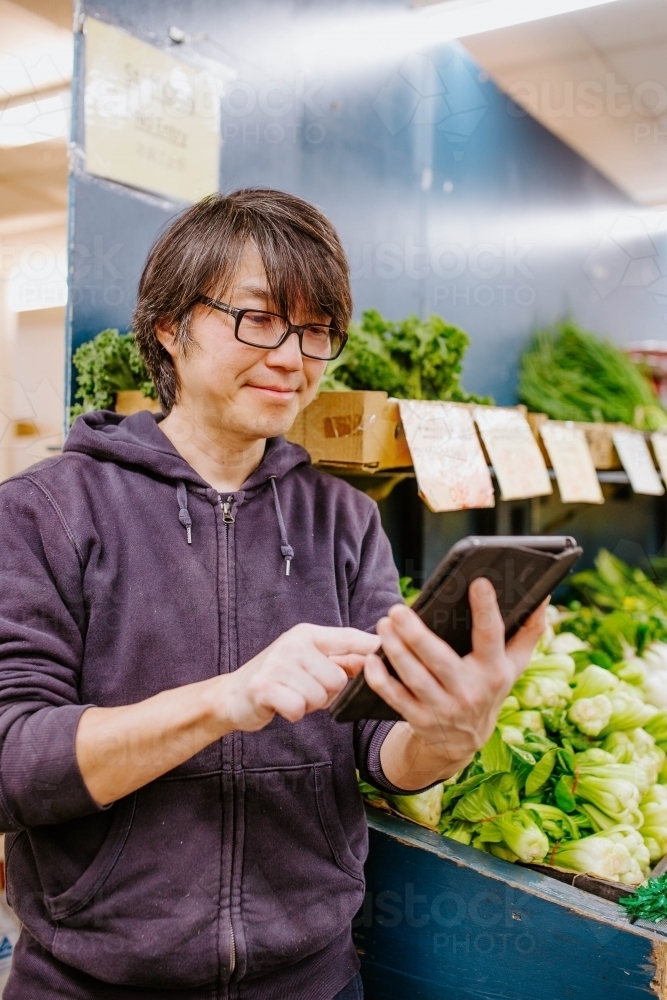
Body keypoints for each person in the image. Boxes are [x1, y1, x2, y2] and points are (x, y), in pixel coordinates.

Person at [0, 189, 545, 1000]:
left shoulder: (344, 519)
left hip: (310, 980)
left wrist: (451, 733)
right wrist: (227, 698)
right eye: (257, 319)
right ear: (167, 327)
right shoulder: (46, 509)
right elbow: (14, 765)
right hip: (90, 981)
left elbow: (378, 748)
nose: (293, 356)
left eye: (316, 329)